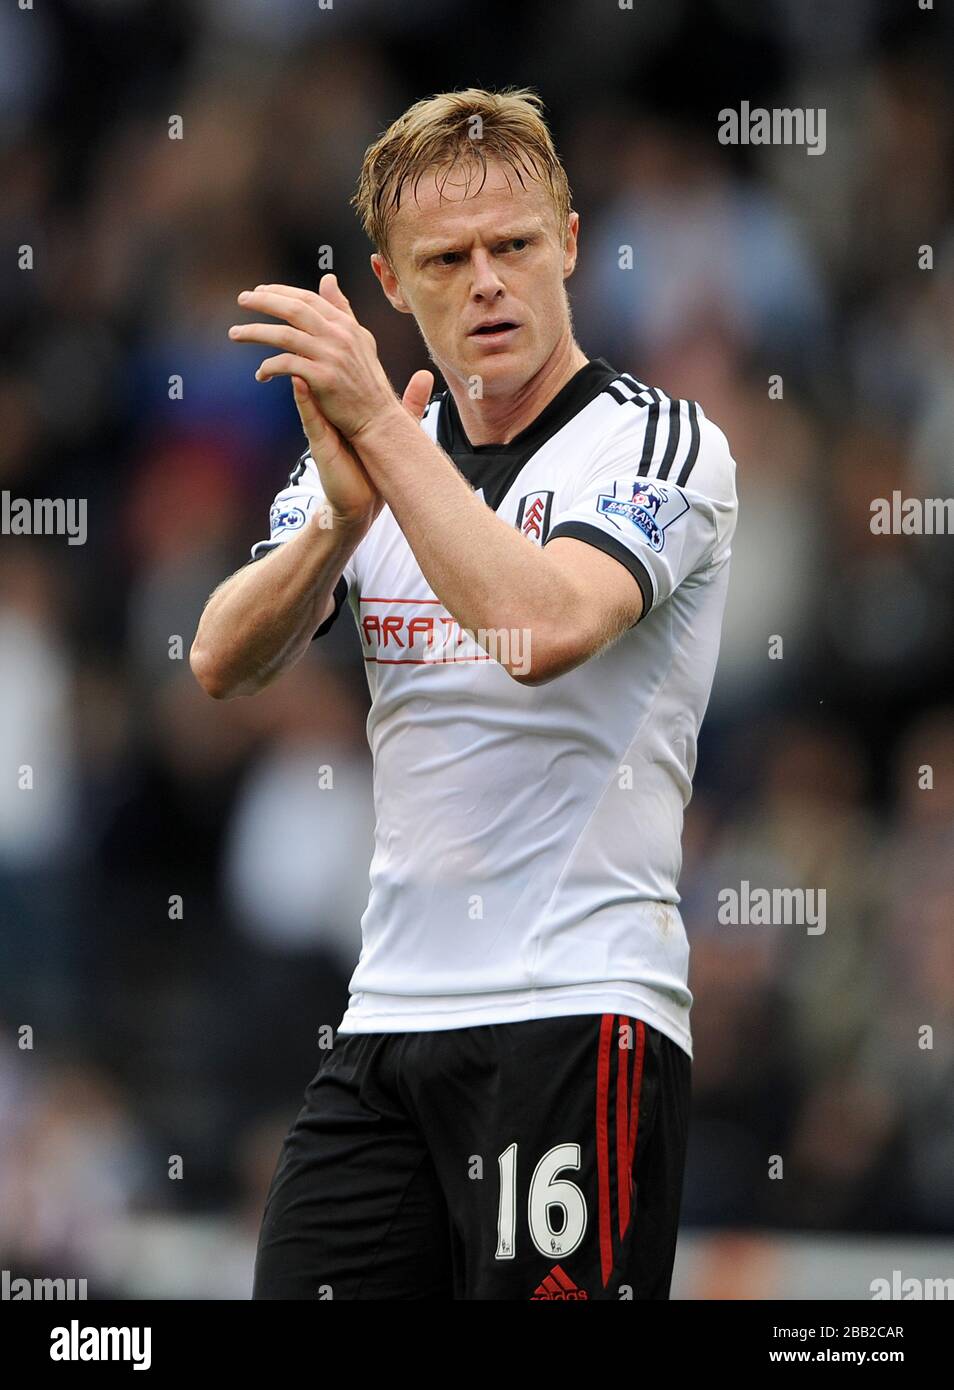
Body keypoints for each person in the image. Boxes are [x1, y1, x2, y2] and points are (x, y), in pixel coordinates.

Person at [191, 87, 738, 1300]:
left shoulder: (661, 444)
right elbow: (222, 659)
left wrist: (382, 448)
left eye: (516, 246)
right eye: (448, 258)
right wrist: (337, 520)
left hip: (578, 1005)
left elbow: (539, 626)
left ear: (573, 246)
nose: (487, 281)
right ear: (392, 282)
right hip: (388, 1017)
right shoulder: (376, 461)